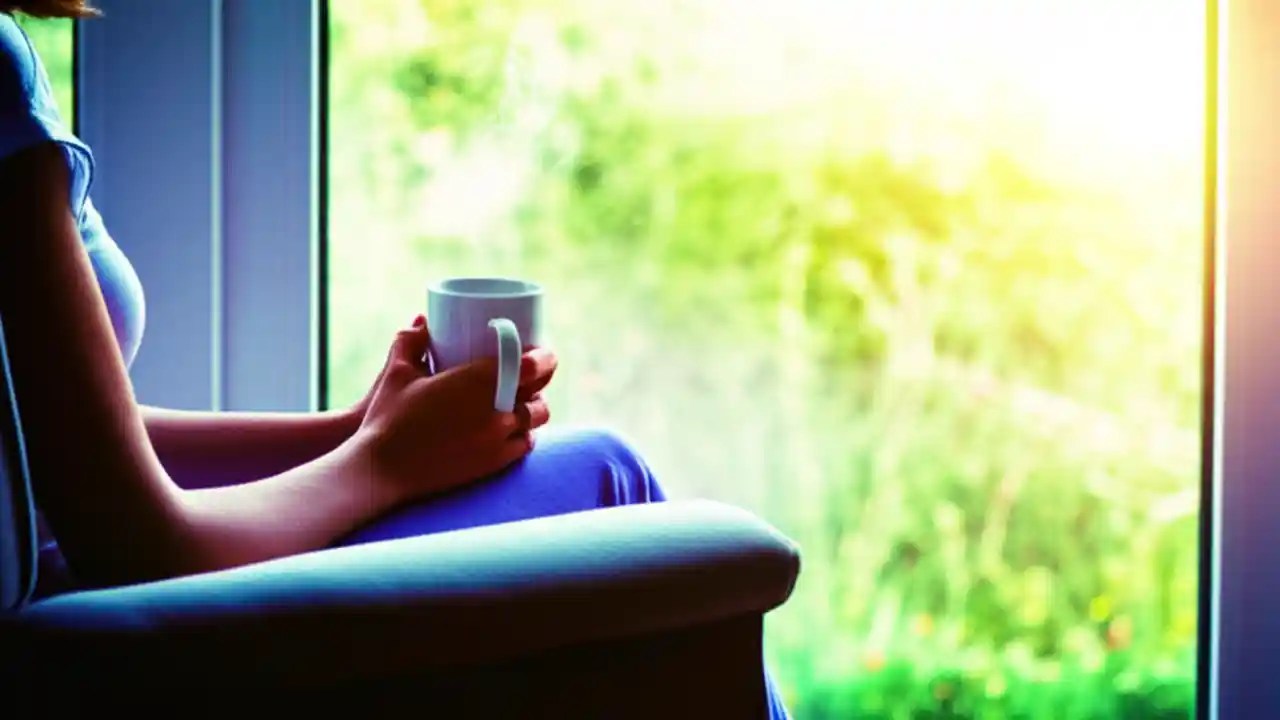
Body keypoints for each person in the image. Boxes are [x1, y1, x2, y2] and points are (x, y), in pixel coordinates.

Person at [0, 0, 791, 716]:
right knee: (618, 486)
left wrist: (349, 432)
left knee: (605, 472)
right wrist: (383, 462)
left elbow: (48, 440)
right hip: (72, 644)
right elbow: (139, 544)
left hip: (67, 586)